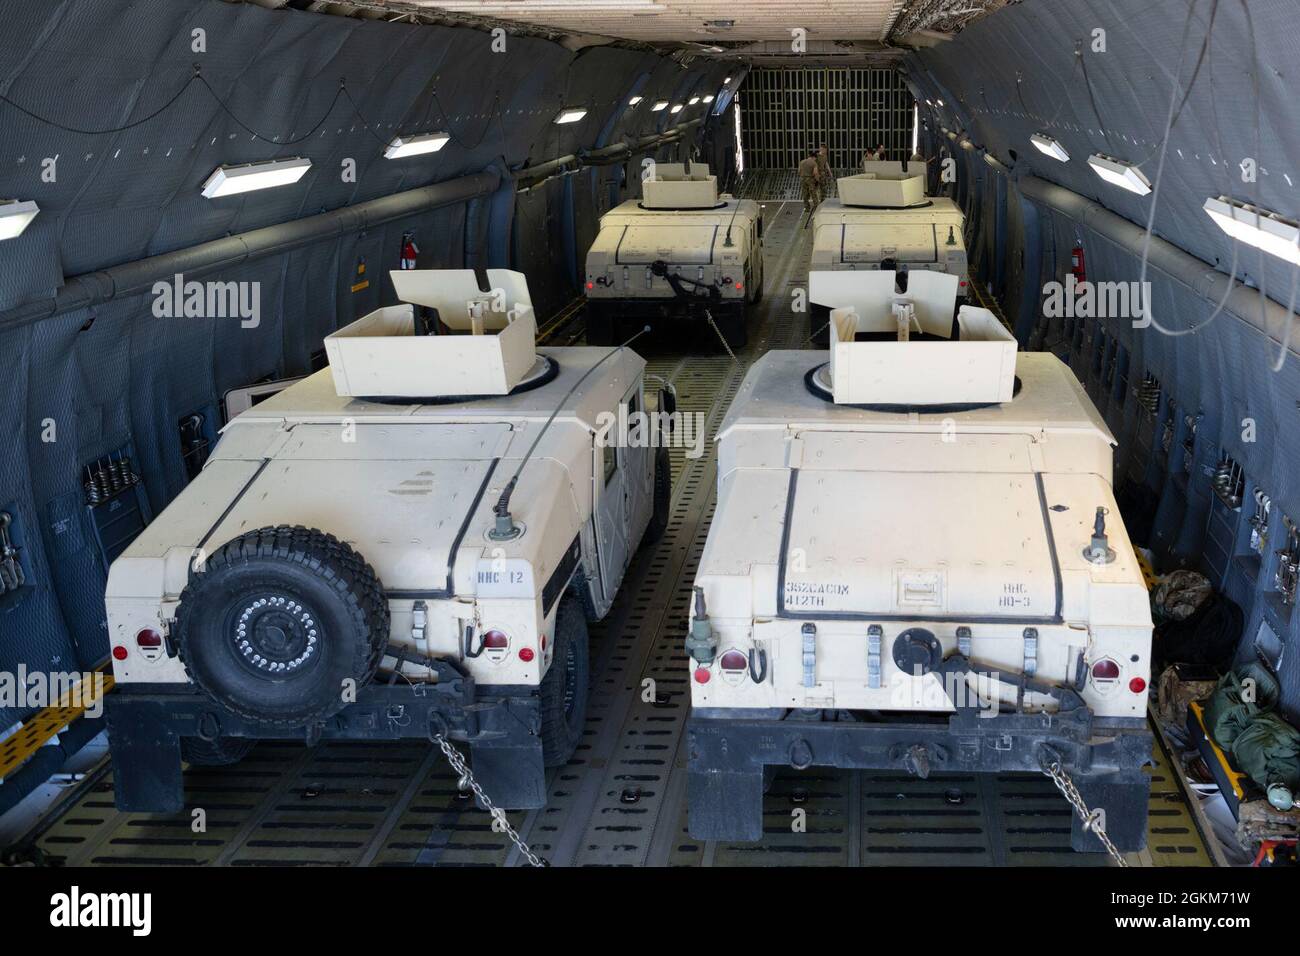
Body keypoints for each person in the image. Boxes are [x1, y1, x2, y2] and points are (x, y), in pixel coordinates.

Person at [798, 147, 820, 219]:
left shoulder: (802, 161)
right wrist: (817, 180)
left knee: (805, 193)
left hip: (802, 178)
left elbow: (799, 171)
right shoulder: (814, 163)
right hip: (810, 179)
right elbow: (815, 173)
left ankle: (807, 208)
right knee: (813, 193)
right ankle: (816, 207)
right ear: (814, 157)